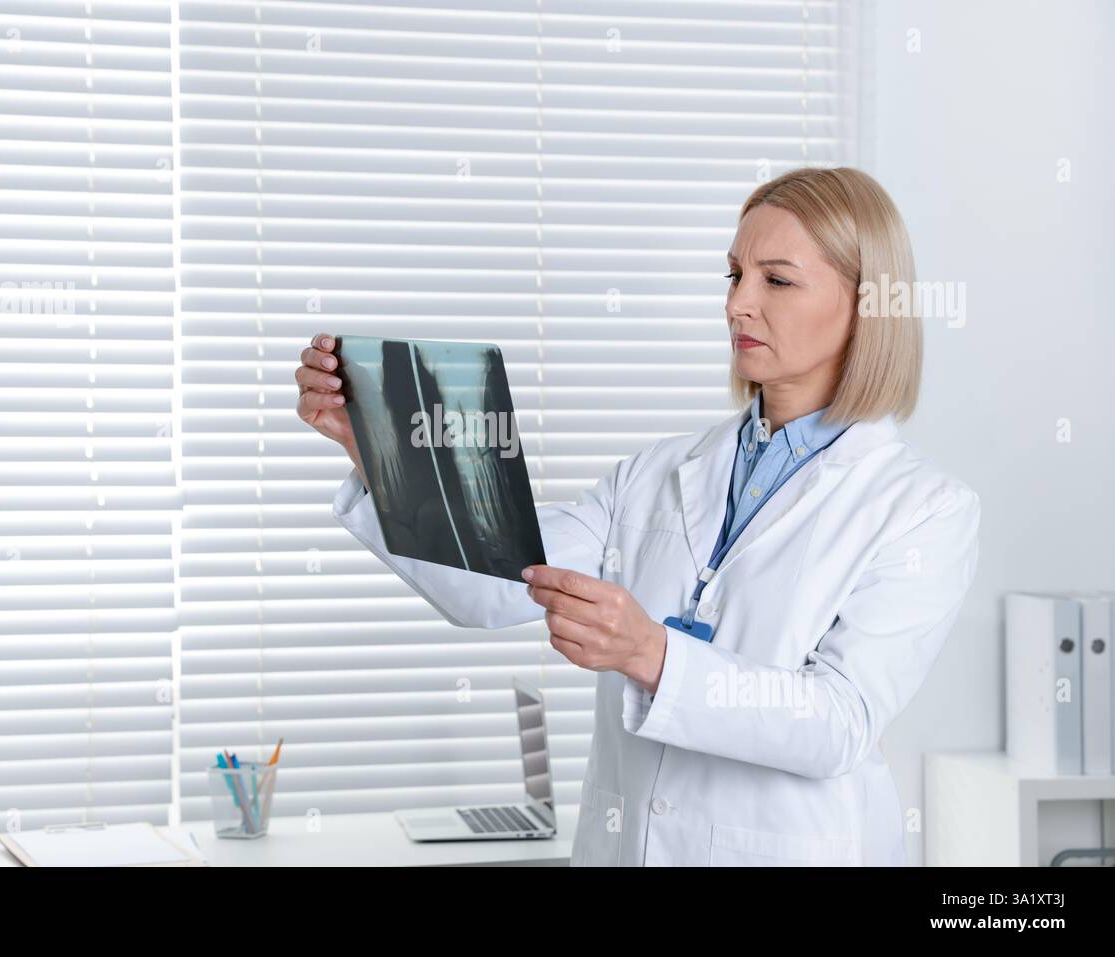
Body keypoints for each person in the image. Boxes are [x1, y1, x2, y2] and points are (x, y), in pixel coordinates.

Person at [294, 166, 980, 866]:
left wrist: (650, 654)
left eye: (776, 279)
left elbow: (840, 722)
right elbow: (497, 583)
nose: (738, 304)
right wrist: (377, 449)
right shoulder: (654, 474)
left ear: (866, 303)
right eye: (733, 274)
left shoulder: (922, 509)